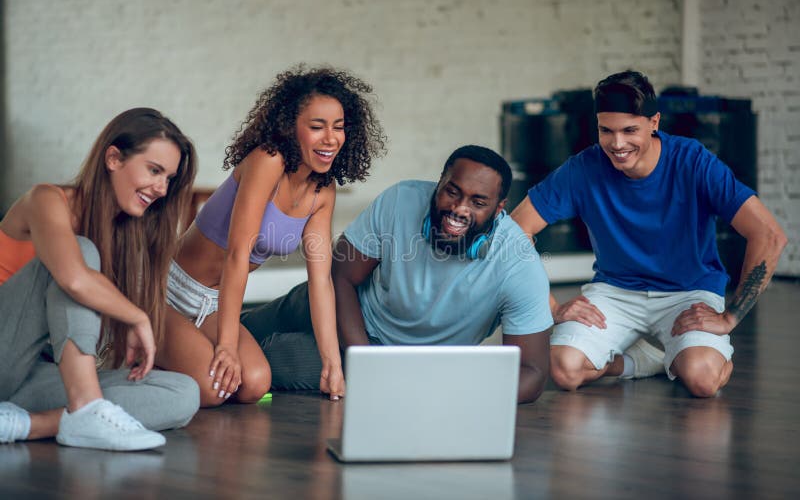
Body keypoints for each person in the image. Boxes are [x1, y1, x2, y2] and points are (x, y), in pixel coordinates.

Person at [511, 70, 788, 397]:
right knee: (564, 369)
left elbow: (769, 235)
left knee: (702, 379)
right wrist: (553, 308)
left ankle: (685, 355)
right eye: (606, 130)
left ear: (654, 122)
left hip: (688, 292)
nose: (617, 144)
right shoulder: (583, 168)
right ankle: (641, 362)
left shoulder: (693, 162)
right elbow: (515, 228)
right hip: (615, 292)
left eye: (630, 130)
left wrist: (730, 317)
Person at [241, 145, 553, 404]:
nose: (459, 208)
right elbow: (341, 276)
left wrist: (444, 389)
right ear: (439, 183)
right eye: (452, 192)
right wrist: (365, 362)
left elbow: (532, 373)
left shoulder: (519, 264)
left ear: (499, 210)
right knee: (236, 328)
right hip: (340, 311)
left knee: (263, 363)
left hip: (398, 363)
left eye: (478, 202)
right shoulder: (401, 200)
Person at [156, 66, 387, 406]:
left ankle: (175, 351)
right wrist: (226, 346)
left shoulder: (322, 191)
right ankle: (137, 345)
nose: (331, 138)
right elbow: (237, 254)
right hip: (169, 291)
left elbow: (321, 282)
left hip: (217, 305)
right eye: (317, 127)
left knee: (254, 384)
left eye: (339, 127)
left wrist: (333, 364)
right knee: (213, 388)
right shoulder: (268, 161)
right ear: (291, 127)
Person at [0, 107, 200, 450]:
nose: (161, 189)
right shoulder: (46, 200)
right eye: (154, 170)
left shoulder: (124, 235)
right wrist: (136, 316)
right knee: (80, 252)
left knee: (183, 393)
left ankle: (25, 424)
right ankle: (86, 411)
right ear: (113, 158)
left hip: (31, 378)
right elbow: (74, 279)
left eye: (168, 178)